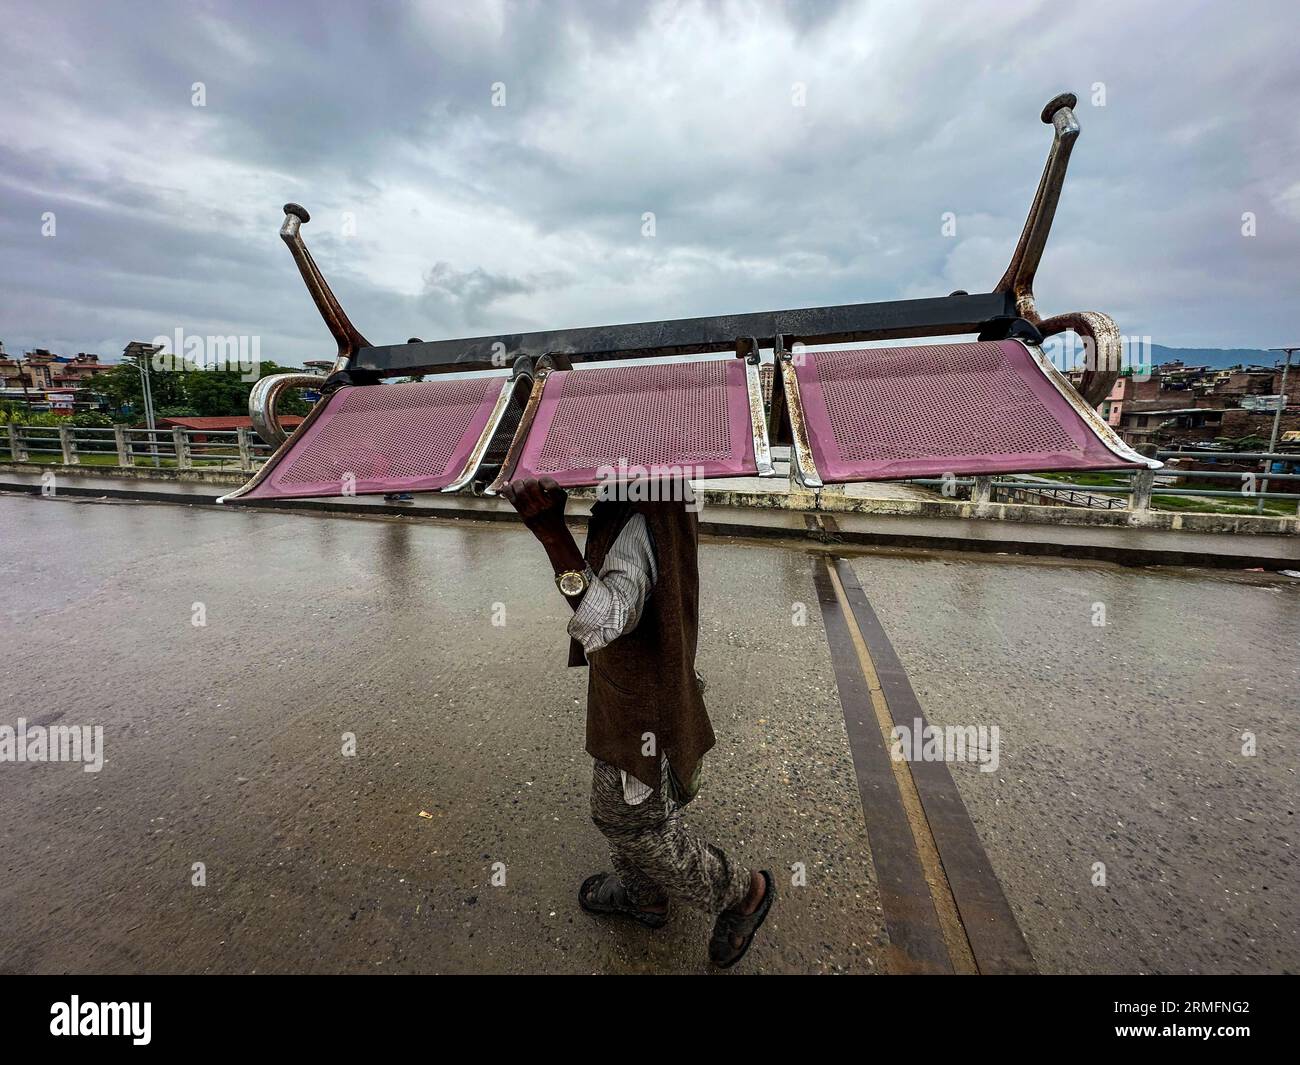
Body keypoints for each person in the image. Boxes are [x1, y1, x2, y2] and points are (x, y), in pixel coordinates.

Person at [501, 475, 774, 968]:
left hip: (643, 709)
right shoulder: (653, 488)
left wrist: (551, 533)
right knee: (622, 809)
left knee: (631, 822)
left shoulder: (644, 511)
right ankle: (643, 894)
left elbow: (603, 619)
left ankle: (742, 891)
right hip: (628, 694)